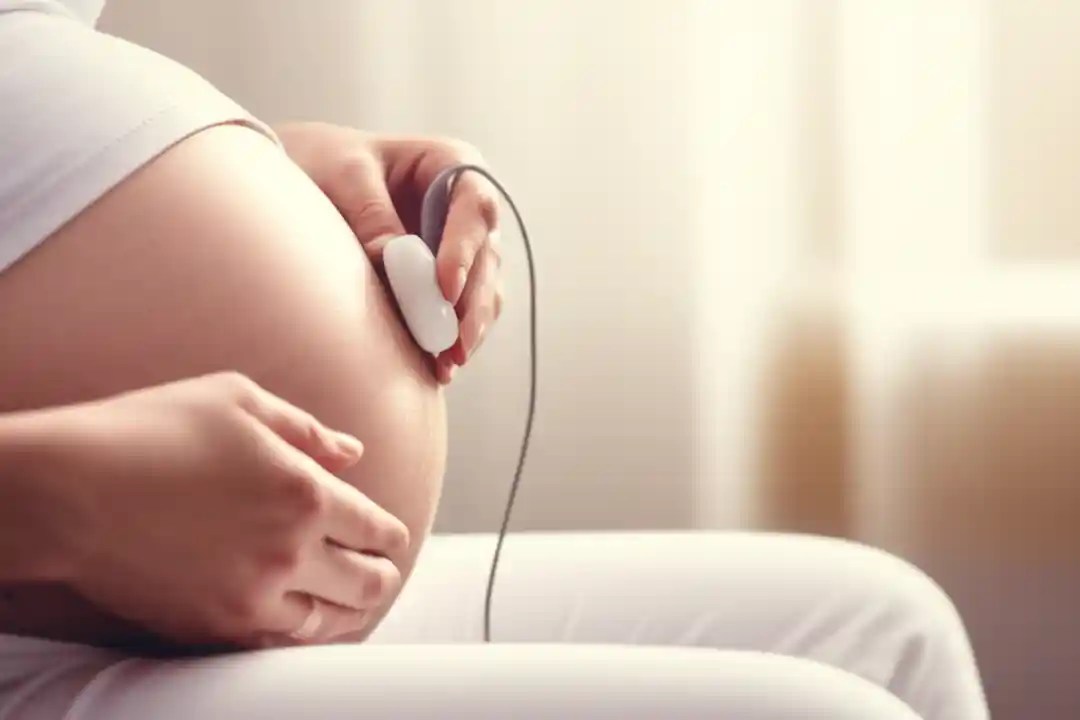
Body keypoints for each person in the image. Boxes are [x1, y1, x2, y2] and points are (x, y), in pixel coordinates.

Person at [0, 1, 992, 718]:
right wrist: (67, 503)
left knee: (883, 627)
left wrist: (267, 164)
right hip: (42, 594)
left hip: (207, 568)